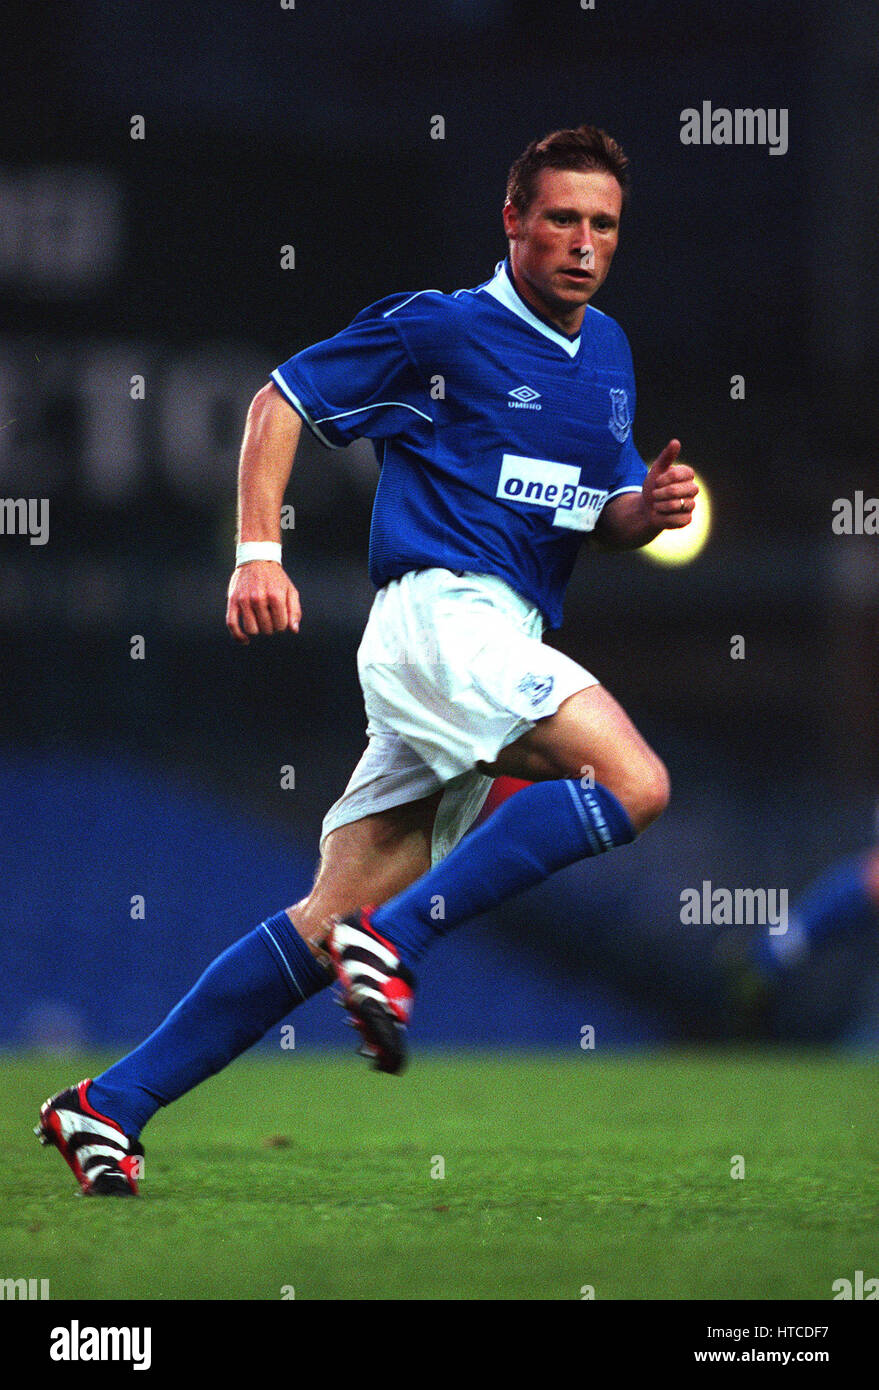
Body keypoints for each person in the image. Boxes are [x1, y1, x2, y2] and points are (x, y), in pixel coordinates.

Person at [36, 125, 698, 1194]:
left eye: (603, 224)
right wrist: (259, 551)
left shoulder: (608, 356)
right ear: (514, 221)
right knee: (633, 780)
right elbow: (279, 401)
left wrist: (647, 511)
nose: (583, 242)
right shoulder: (444, 328)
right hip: (442, 619)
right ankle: (401, 944)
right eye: (563, 218)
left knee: (324, 919)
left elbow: (601, 511)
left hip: (499, 635)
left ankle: (107, 1104)